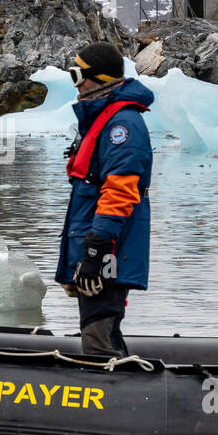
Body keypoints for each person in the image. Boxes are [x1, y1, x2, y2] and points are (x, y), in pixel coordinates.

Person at [56, 42, 154, 358]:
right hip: (100, 248)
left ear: (95, 78)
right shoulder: (103, 119)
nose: (75, 84)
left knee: (98, 338)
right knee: (101, 328)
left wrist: (96, 250)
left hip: (109, 250)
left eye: (76, 75)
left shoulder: (122, 125)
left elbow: (120, 191)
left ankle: (119, 400)